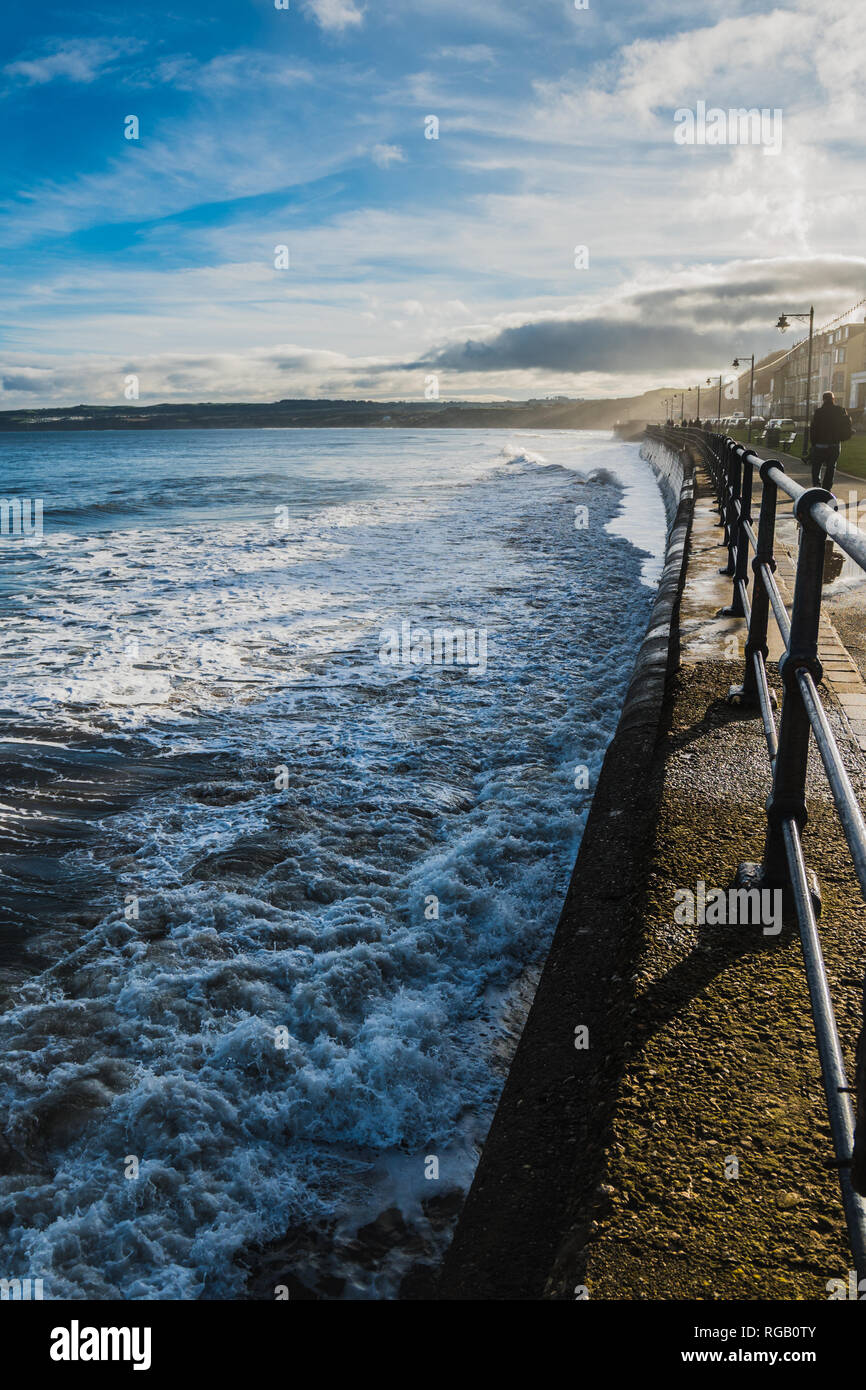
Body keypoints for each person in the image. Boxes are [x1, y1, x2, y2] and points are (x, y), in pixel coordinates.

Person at [809, 391, 852, 489]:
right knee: (831, 467)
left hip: (820, 445)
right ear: (833, 399)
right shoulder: (840, 410)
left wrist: (813, 444)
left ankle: (817, 486)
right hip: (834, 444)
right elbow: (846, 425)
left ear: (823, 400)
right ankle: (827, 489)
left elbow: (813, 429)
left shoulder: (818, 412)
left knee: (816, 466)